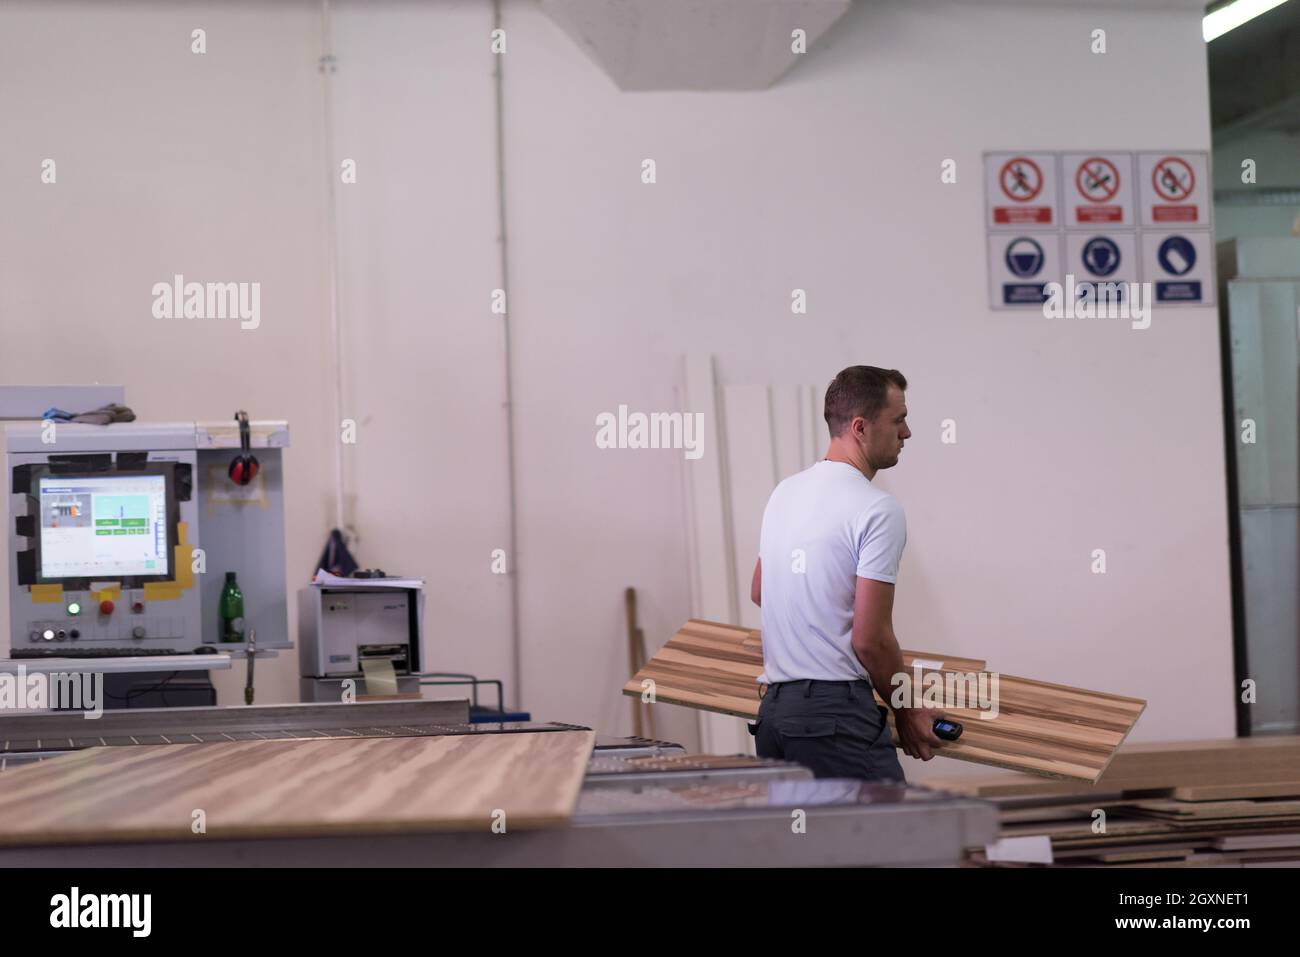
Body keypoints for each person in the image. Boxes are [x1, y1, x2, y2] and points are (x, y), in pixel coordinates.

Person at [749, 365, 946, 780]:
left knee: (808, 843)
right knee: (883, 841)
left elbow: (761, 590)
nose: (907, 432)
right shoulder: (877, 509)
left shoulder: (784, 493)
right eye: (898, 420)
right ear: (860, 426)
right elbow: (871, 639)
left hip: (775, 718)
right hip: (834, 722)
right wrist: (907, 710)